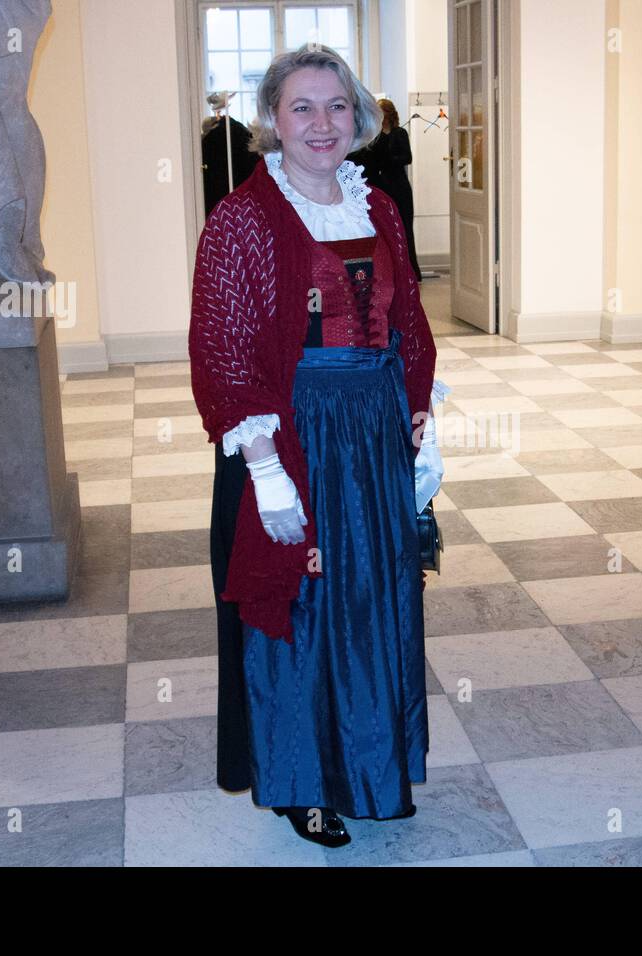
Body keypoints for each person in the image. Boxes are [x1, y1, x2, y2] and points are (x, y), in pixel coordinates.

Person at [188, 44, 444, 848]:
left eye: (337, 106)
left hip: (371, 436)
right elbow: (222, 347)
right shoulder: (243, 219)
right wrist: (265, 472)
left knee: (371, 598)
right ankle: (302, 783)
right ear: (272, 120)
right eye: (302, 107)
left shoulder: (380, 207)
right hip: (294, 436)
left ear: (358, 115)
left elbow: (407, 323)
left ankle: (371, 767)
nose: (322, 124)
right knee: (301, 603)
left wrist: (414, 414)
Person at [349, 99, 423, 280]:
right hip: (380, 187)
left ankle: (410, 271)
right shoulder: (371, 137)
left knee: (404, 228)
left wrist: (387, 159)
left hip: (398, 186)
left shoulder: (399, 133)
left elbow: (406, 157)